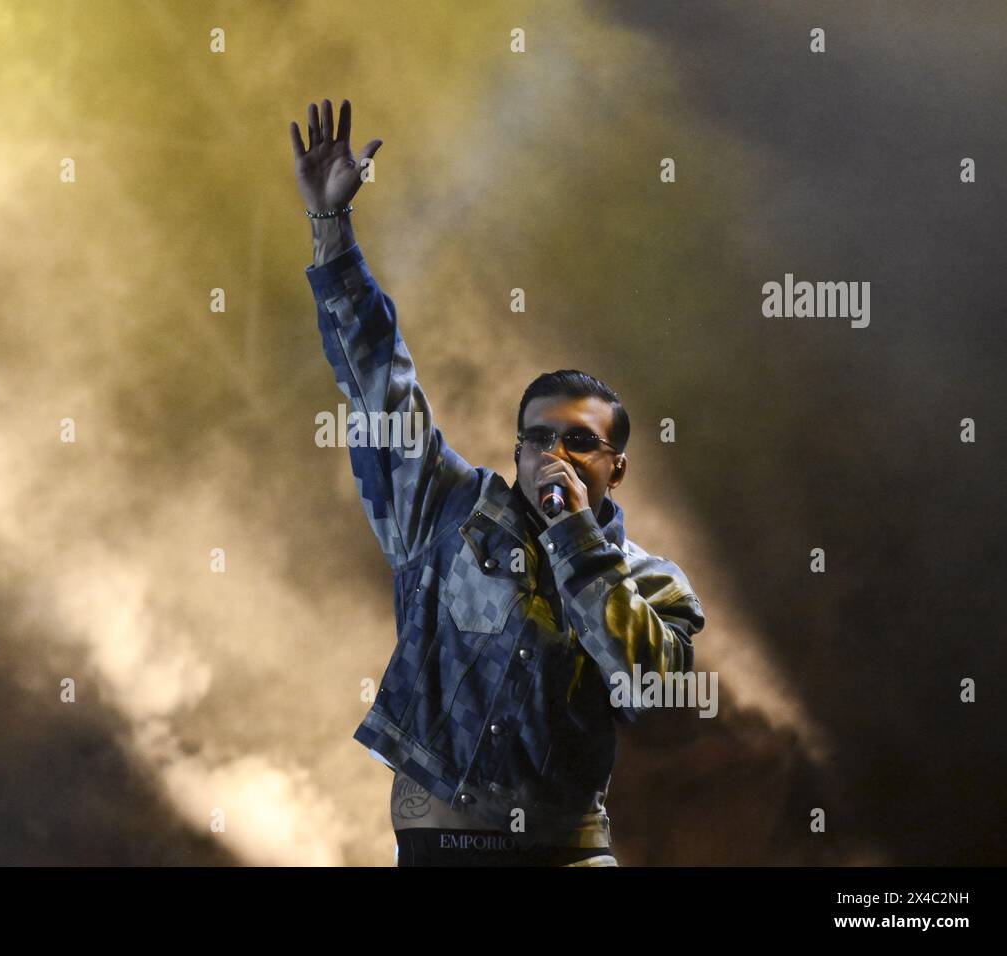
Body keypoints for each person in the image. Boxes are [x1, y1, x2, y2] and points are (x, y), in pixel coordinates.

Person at [291, 99, 706, 866]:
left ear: (617, 464)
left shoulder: (657, 586)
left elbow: (658, 695)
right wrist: (332, 232)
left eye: (580, 442)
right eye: (539, 438)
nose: (555, 454)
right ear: (514, 449)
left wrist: (579, 544)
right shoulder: (443, 511)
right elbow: (382, 384)